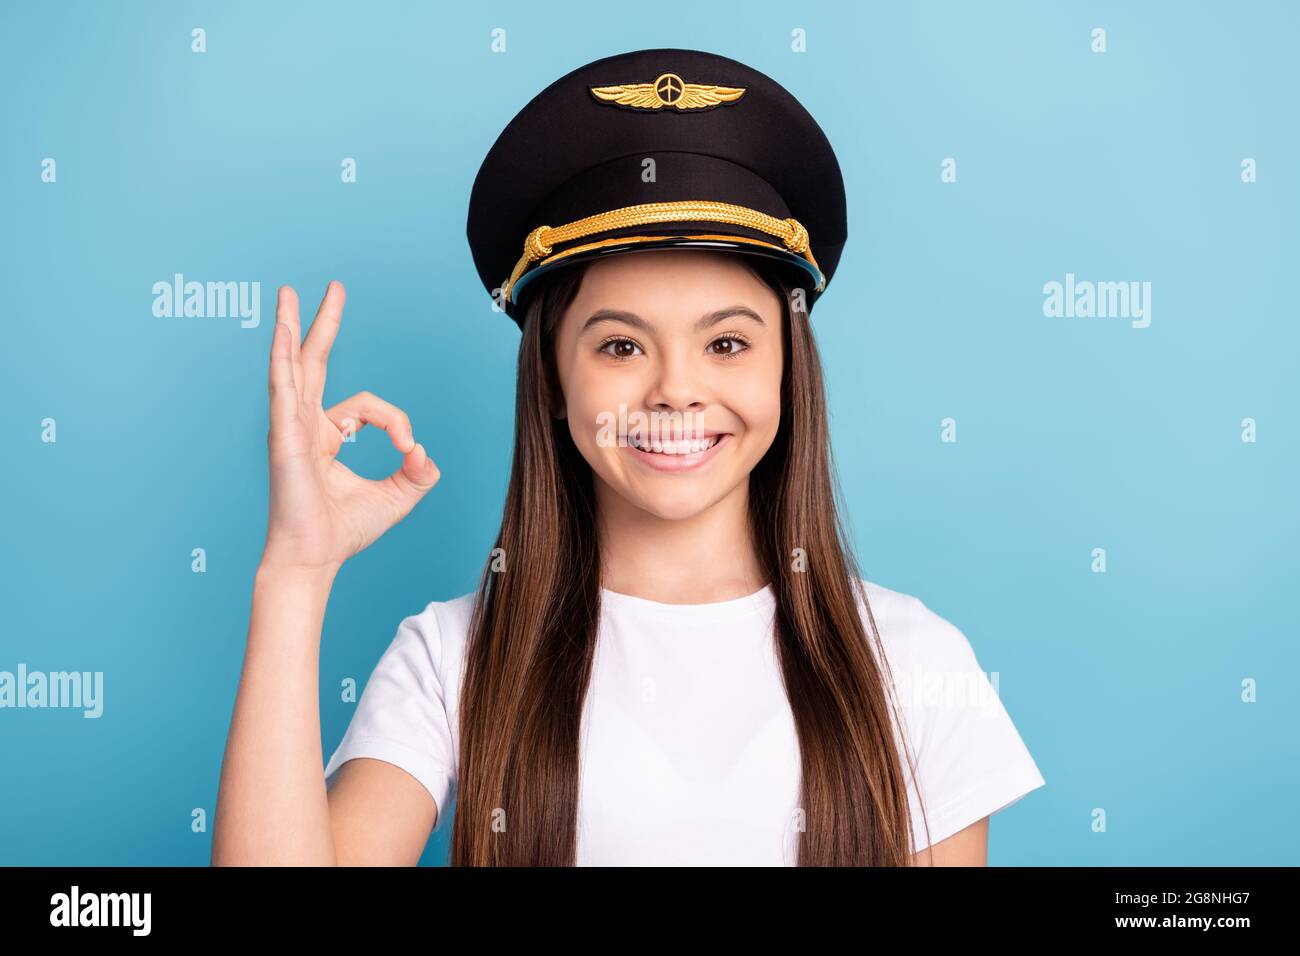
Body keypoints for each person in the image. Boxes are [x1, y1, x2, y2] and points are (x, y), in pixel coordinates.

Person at [212, 48, 1045, 867]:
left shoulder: (914, 661)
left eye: (726, 343)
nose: (676, 390)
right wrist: (296, 572)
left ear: (787, 372)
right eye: (620, 346)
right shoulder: (454, 656)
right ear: (552, 381)